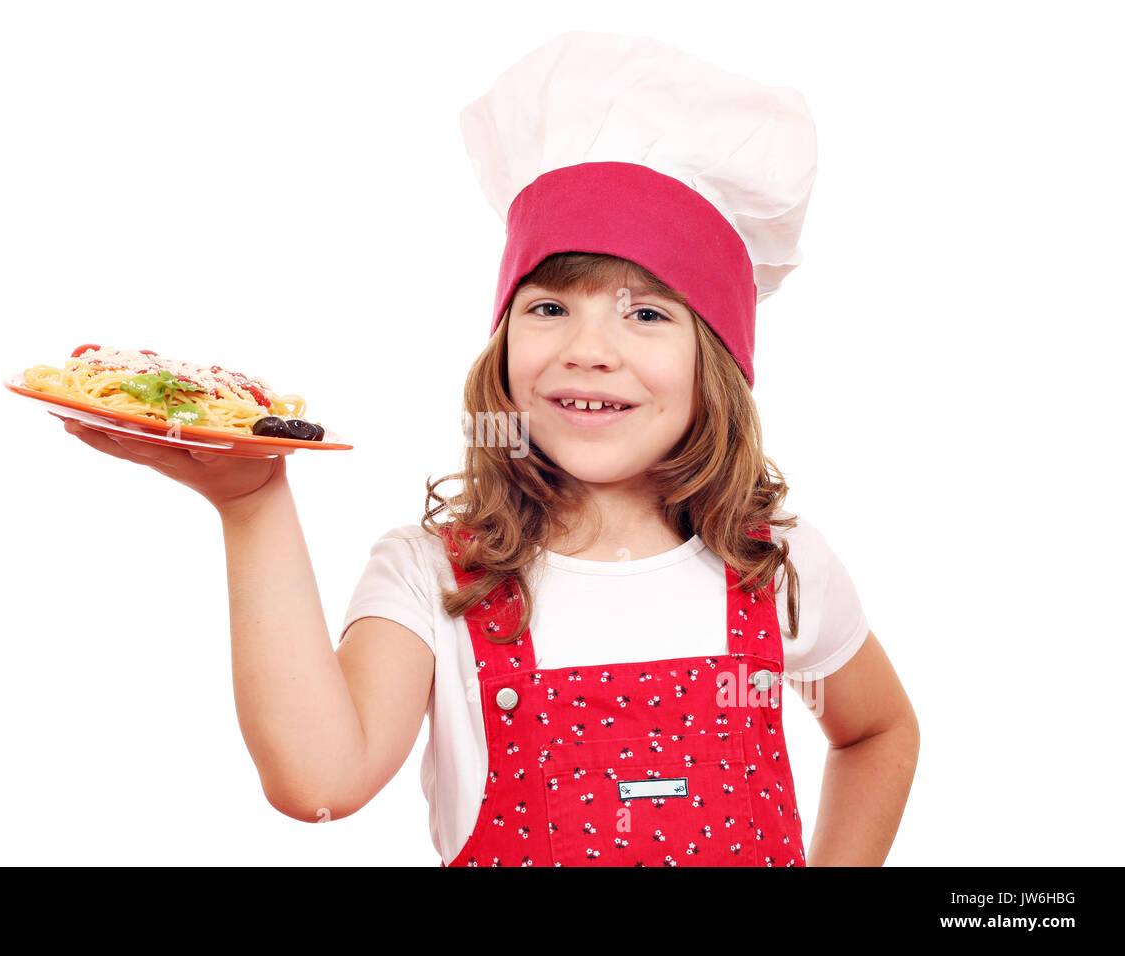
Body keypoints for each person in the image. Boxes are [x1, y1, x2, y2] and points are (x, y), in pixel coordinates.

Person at [62, 32, 918, 866]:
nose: (589, 346)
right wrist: (252, 505)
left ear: (719, 364)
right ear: (503, 349)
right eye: (549, 307)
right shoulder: (433, 579)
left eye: (646, 312)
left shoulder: (780, 569)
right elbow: (317, 781)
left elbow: (878, 730)